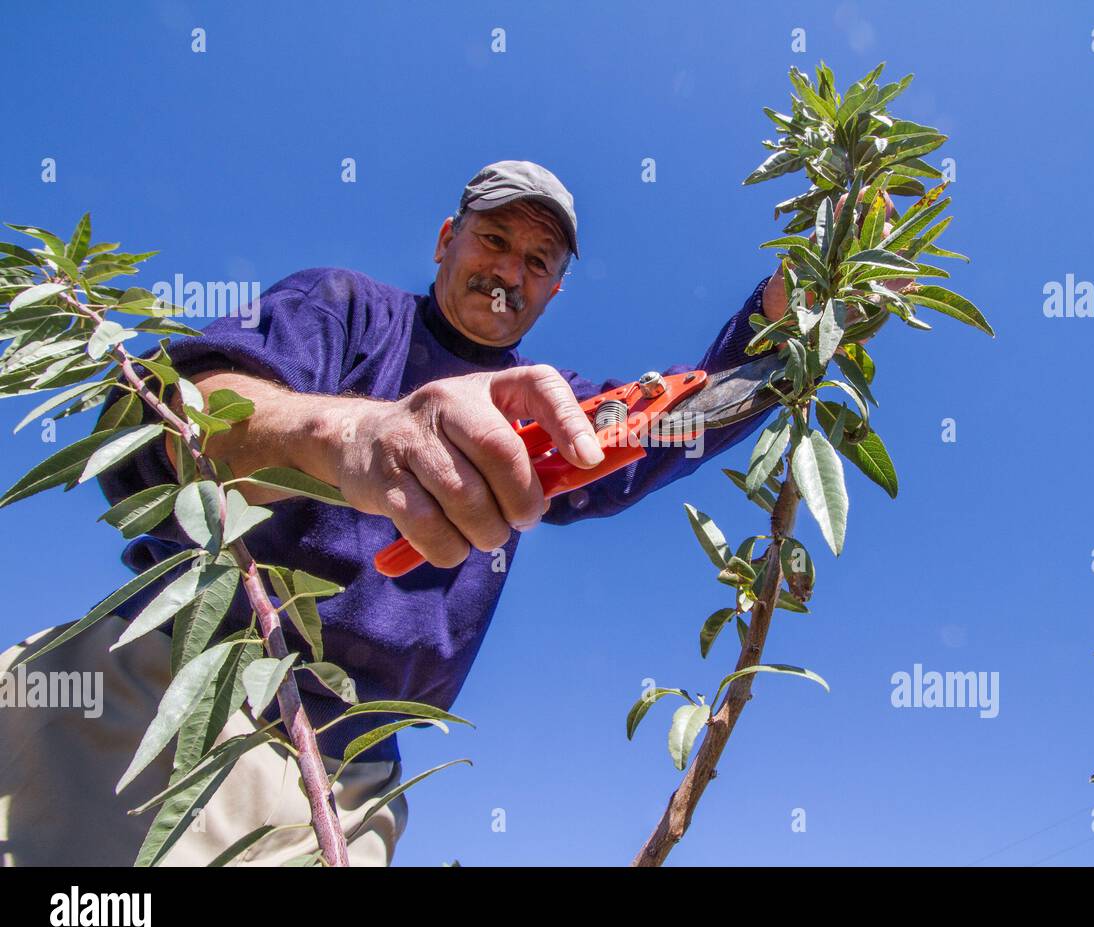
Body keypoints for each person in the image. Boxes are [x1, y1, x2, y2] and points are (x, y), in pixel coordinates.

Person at [0, 160, 792, 866]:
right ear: (447, 238)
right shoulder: (342, 308)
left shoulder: (547, 408)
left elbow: (672, 420)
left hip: (350, 778)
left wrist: (794, 310)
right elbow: (176, 426)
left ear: (554, 291)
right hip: (160, 697)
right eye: (493, 239)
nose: (509, 271)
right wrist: (347, 435)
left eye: (537, 261)